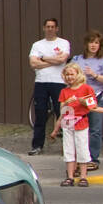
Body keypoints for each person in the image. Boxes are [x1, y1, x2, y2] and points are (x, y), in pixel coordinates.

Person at [49, 62, 103, 186]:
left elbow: (93, 106)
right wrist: (56, 129)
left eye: (72, 74)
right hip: (68, 123)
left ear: (78, 74)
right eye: (67, 74)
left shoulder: (86, 89)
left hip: (81, 122)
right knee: (69, 150)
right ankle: (70, 176)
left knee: (82, 149)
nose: (69, 77)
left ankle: (83, 176)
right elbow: (62, 111)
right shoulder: (64, 91)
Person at [27, 18, 70, 154]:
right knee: (40, 113)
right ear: (44, 28)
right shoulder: (37, 45)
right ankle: (37, 146)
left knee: (62, 113)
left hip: (59, 82)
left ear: (57, 28)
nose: (50, 29)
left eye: (52, 27)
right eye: (48, 26)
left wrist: (43, 58)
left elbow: (62, 60)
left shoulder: (63, 43)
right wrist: (53, 61)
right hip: (41, 82)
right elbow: (33, 64)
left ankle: (67, 146)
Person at [73, 30, 103, 171]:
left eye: (96, 42)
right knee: (79, 129)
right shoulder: (77, 59)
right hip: (80, 99)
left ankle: (93, 159)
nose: (93, 45)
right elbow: (69, 74)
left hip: (96, 97)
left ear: (100, 45)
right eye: (91, 42)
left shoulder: (102, 61)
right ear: (86, 44)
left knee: (95, 129)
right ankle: (79, 159)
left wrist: (94, 75)